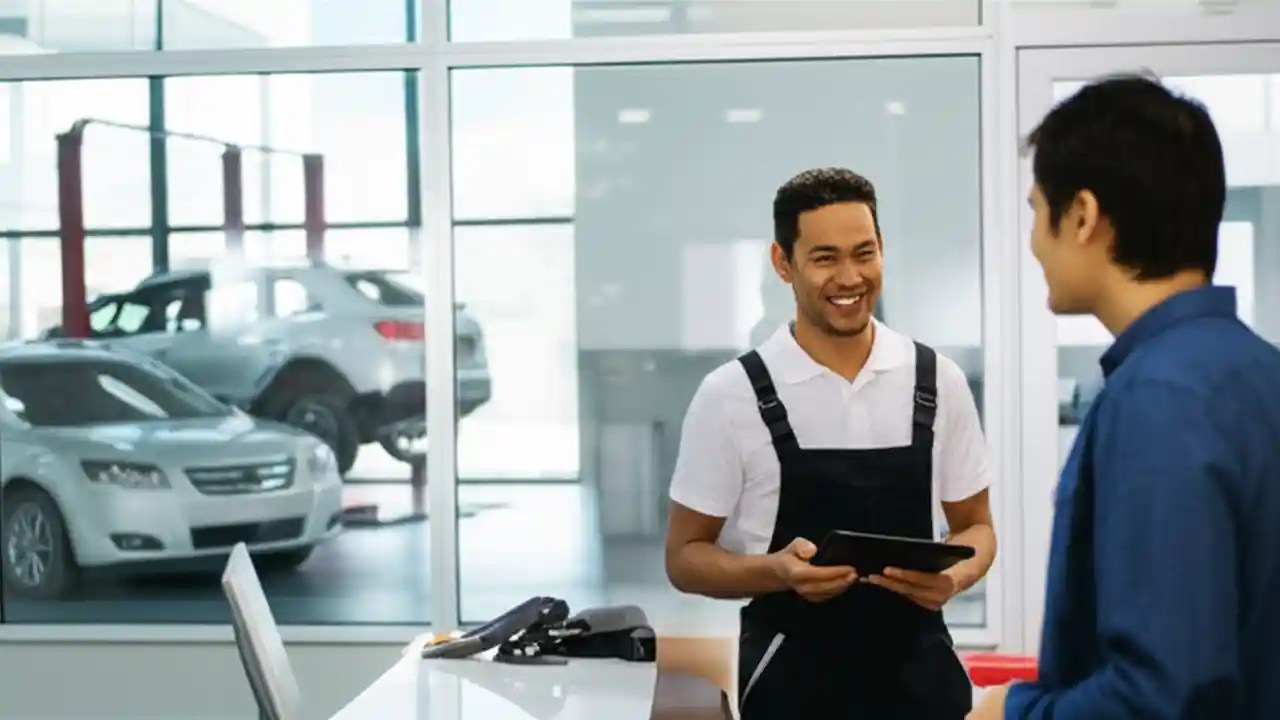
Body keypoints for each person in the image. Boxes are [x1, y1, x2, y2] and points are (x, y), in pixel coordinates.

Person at [970, 76, 1280, 720]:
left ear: (1081, 216)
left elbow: (1162, 695)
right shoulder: (1257, 373)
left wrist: (1012, 712)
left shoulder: (1158, 399)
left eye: (1036, 211)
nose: (1033, 243)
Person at [665, 167, 997, 718]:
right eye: (825, 258)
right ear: (783, 263)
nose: (850, 277)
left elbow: (977, 526)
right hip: (789, 685)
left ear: (882, 249)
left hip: (923, 685)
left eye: (864, 253)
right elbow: (684, 558)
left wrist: (954, 578)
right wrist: (776, 571)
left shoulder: (937, 380)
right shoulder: (732, 395)